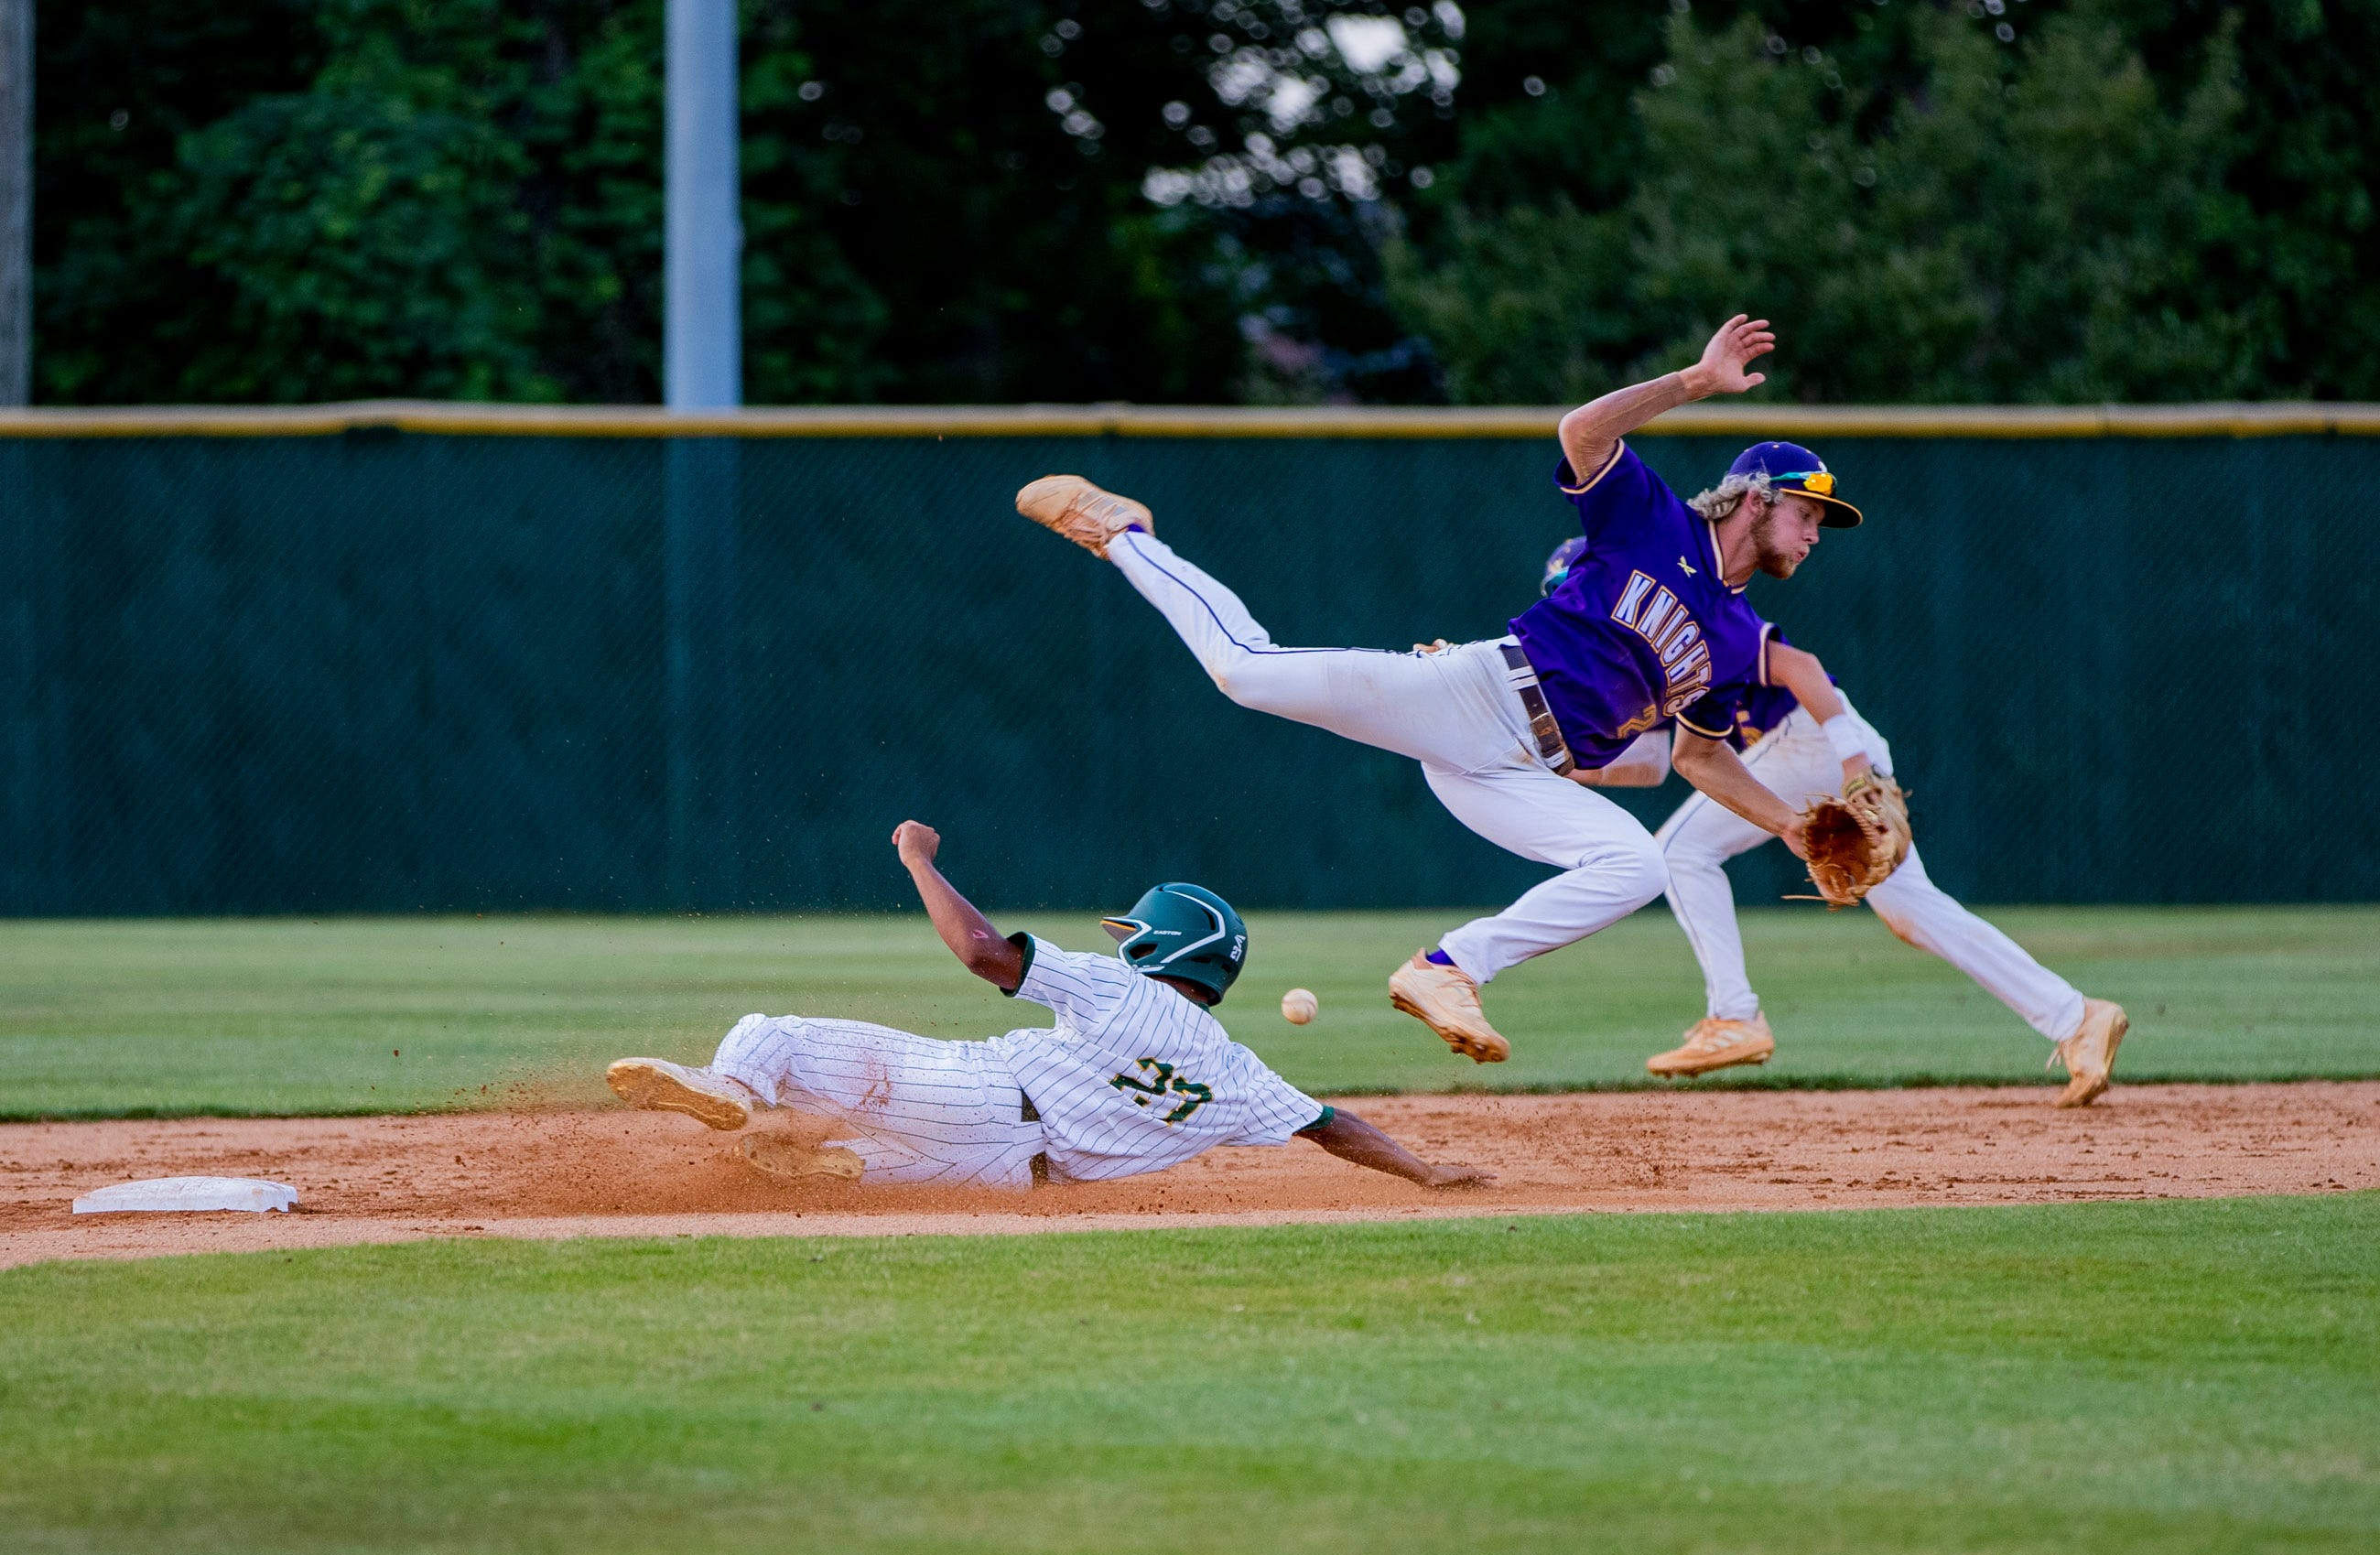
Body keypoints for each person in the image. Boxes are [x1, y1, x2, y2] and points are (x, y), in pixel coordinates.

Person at [1016, 315, 1863, 1065]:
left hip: (1520, 773)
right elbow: (1581, 431)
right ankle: (1123, 534)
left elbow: (1699, 759)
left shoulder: (1735, 637)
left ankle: (1448, 968)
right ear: (1755, 498)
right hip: (1480, 692)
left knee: (1636, 864)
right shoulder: (1655, 519)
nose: (1815, 534)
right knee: (1243, 669)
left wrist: (1789, 825)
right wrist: (1695, 382)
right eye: (1807, 513)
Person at [1531, 537, 2129, 1107]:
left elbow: (1802, 667)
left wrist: (1852, 764)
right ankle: (2077, 1017)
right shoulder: (1644, 665)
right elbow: (1648, 763)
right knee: (1915, 912)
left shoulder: (1690, 618)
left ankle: (1734, 1015)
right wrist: (1548, 766)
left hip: (1813, 741)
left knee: (1680, 852)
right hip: (1820, 750)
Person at [606, 820, 1494, 1189]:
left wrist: (917, 860)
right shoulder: (1239, 1075)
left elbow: (983, 953)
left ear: (1163, 945)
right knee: (815, 1173)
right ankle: (827, 1159)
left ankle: (732, 1087)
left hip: (975, 1092)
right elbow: (1332, 1126)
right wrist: (1425, 1172)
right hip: (1008, 1178)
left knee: (779, 1035)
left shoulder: (1119, 986)